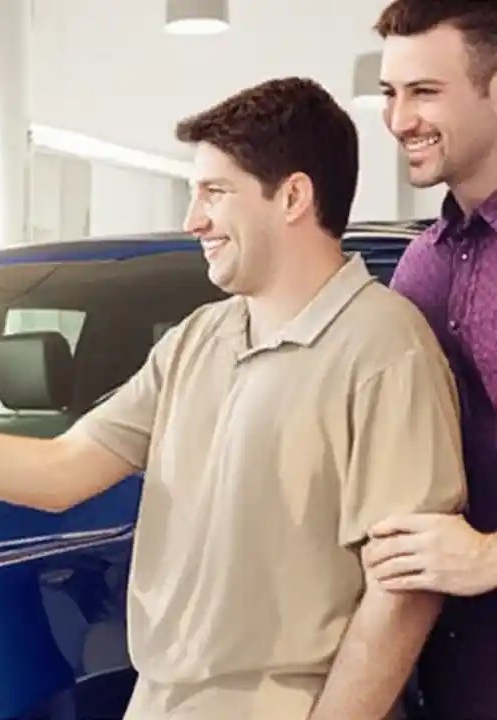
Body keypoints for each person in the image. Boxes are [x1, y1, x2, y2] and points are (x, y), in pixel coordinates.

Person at [0, 77, 468, 720]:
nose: (194, 219)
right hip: (161, 698)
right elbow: (60, 471)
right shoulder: (199, 338)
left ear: (294, 197)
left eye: (215, 193)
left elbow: (405, 589)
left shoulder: (384, 347)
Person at [363, 2, 497, 717]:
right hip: (452, 678)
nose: (398, 120)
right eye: (390, 93)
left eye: (424, 92)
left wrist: (487, 556)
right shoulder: (421, 265)